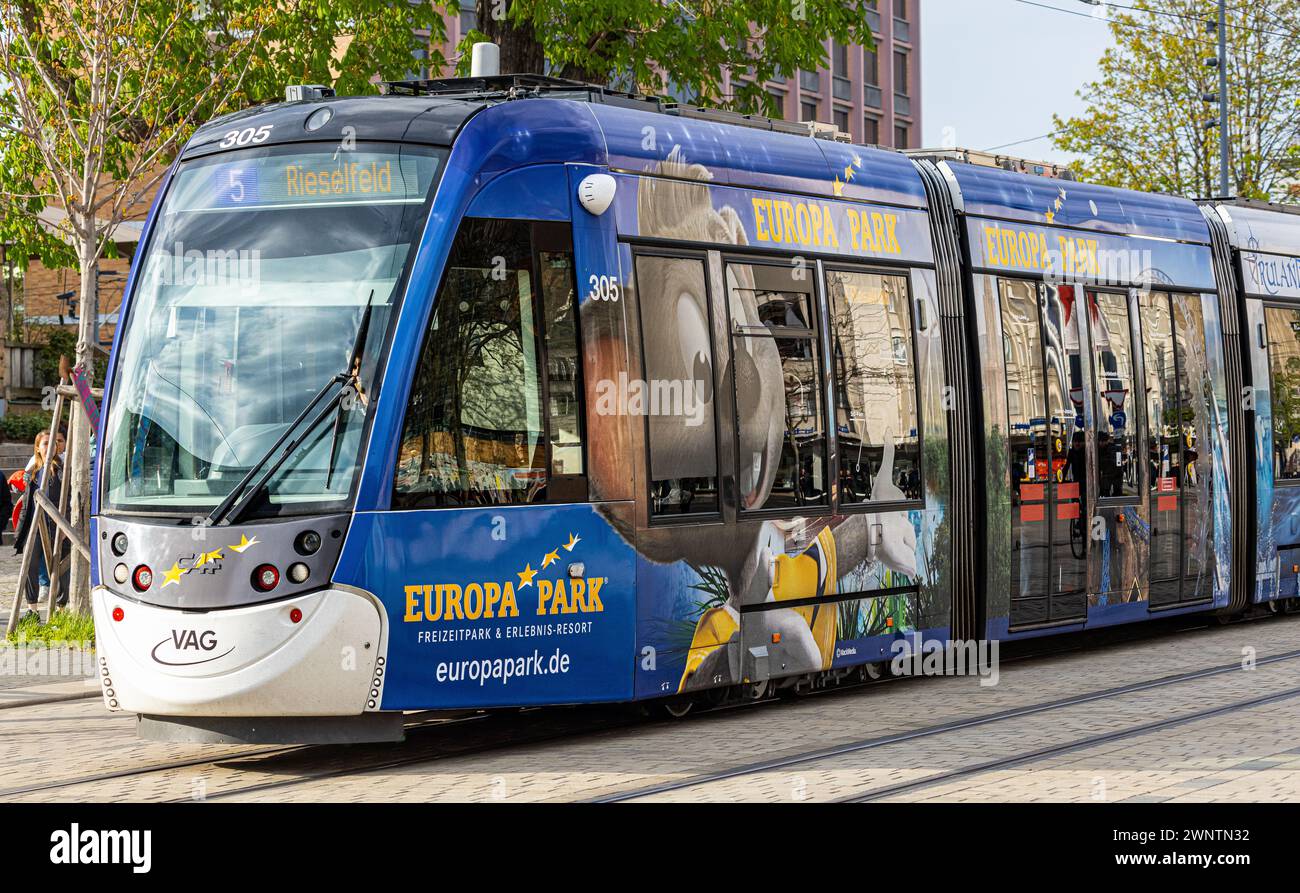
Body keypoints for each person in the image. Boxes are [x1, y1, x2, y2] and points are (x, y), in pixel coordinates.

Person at [14, 428, 68, 620]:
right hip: (35, 526)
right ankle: (33, 610)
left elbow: (68, 499)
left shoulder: (62, 468)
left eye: (53, 443)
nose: (50, 446)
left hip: (56, 526)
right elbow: (26, 504)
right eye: (45, 443)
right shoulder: (34, 472)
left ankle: (61, 610)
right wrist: (21, 529)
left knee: (61, 569)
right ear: (37, 448)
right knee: (30, 566)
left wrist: (66, 526)